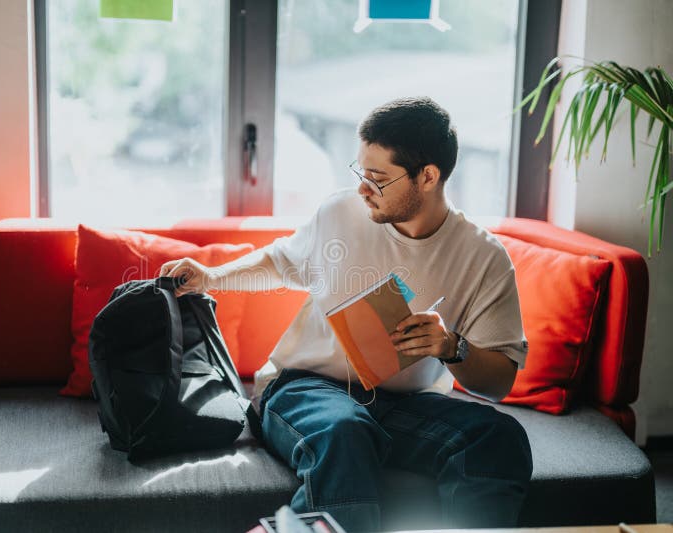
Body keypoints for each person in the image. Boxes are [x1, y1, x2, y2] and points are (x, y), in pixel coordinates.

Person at [160, 97, 532, 532]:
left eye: (377, 178)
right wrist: (210, 277)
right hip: (304, 387)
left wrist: (452, 348)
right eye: (360, 172)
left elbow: (498, 383)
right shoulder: (340, 213)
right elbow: (279, 263)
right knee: (344, 430)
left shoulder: (483, 257)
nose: (362, 188)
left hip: (403, 403)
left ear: (428, 176)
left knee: (498, 437)